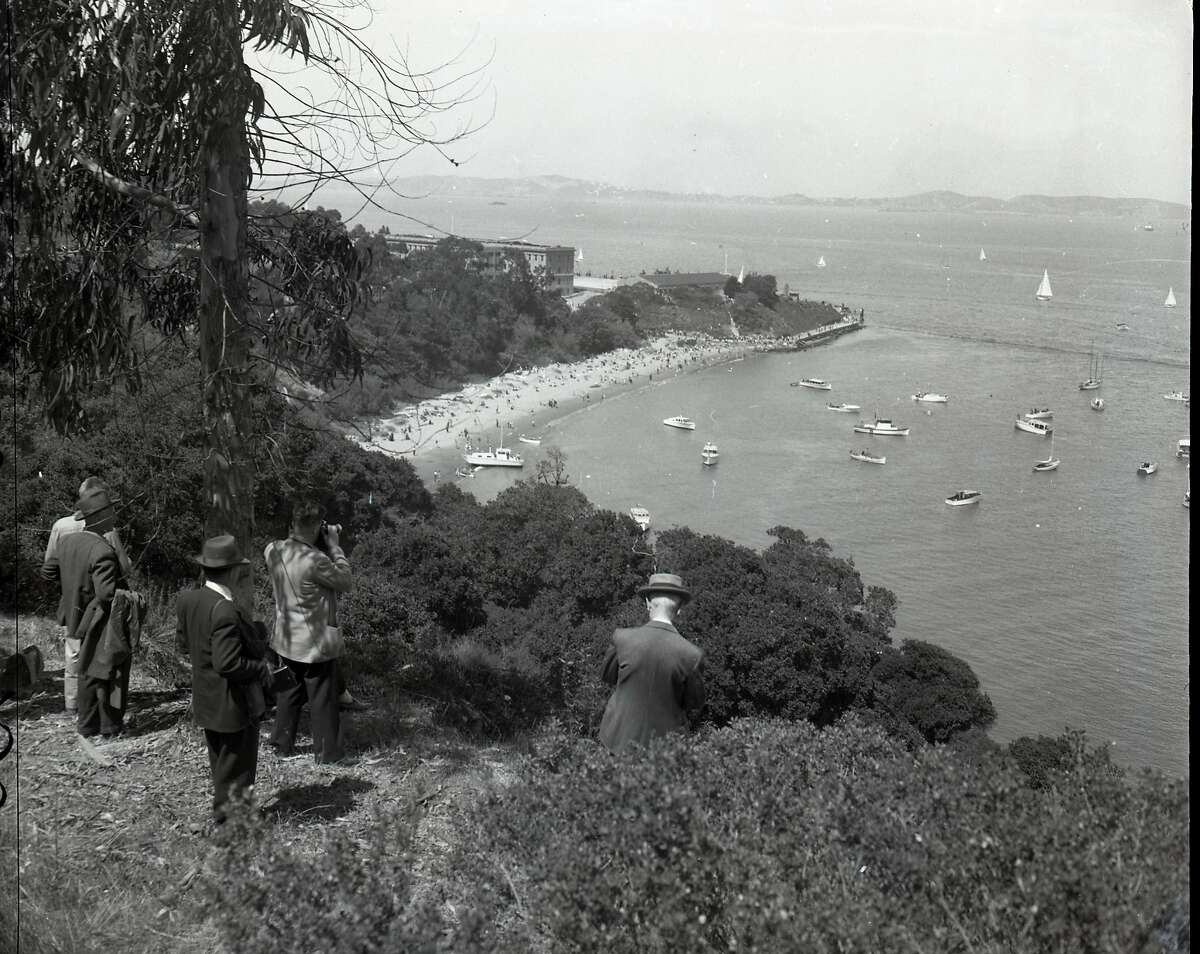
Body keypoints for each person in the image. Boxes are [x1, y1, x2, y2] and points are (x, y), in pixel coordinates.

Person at [176, 535, 272, 818]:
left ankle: (229, 822)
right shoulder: (226, 610)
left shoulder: (188, 600)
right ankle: (230, 830)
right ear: (232, 571)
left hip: (206, 699)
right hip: (231, 704)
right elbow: (227, 663)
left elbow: (183, 645)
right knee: (238, 770)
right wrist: (259, 668)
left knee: (222, 766)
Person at [264, 500, 354, 765]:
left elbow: (288, 545)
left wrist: (310, 538)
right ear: (317, 527)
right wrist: (335, 546)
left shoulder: (272, 550)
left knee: (288, 693)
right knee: (323, 700)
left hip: (285, 637)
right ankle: (328, 755)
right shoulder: (317, 560)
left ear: (292, 523)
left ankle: (281, 744)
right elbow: (345, 581)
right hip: (315, 643)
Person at [41, 487, 129, 741]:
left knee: (86, 672)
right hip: (99, 621)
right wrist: (131, 598)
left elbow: (48, 571)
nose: (114, 515)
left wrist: (71, 591)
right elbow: (106, 594)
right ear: (101, 516)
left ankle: (87, 725)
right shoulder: (101, 550)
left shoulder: (67, 541)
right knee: (109, 671)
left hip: (74, 616)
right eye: (111, 510)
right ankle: (109, 727)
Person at [598, 573, 705, 754]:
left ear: (648, 602)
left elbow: (607, 676)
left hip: (616, 740)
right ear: (679, 609)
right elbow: (694, 703)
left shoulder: (622, 638)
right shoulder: (692, 655)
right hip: (662, 752)